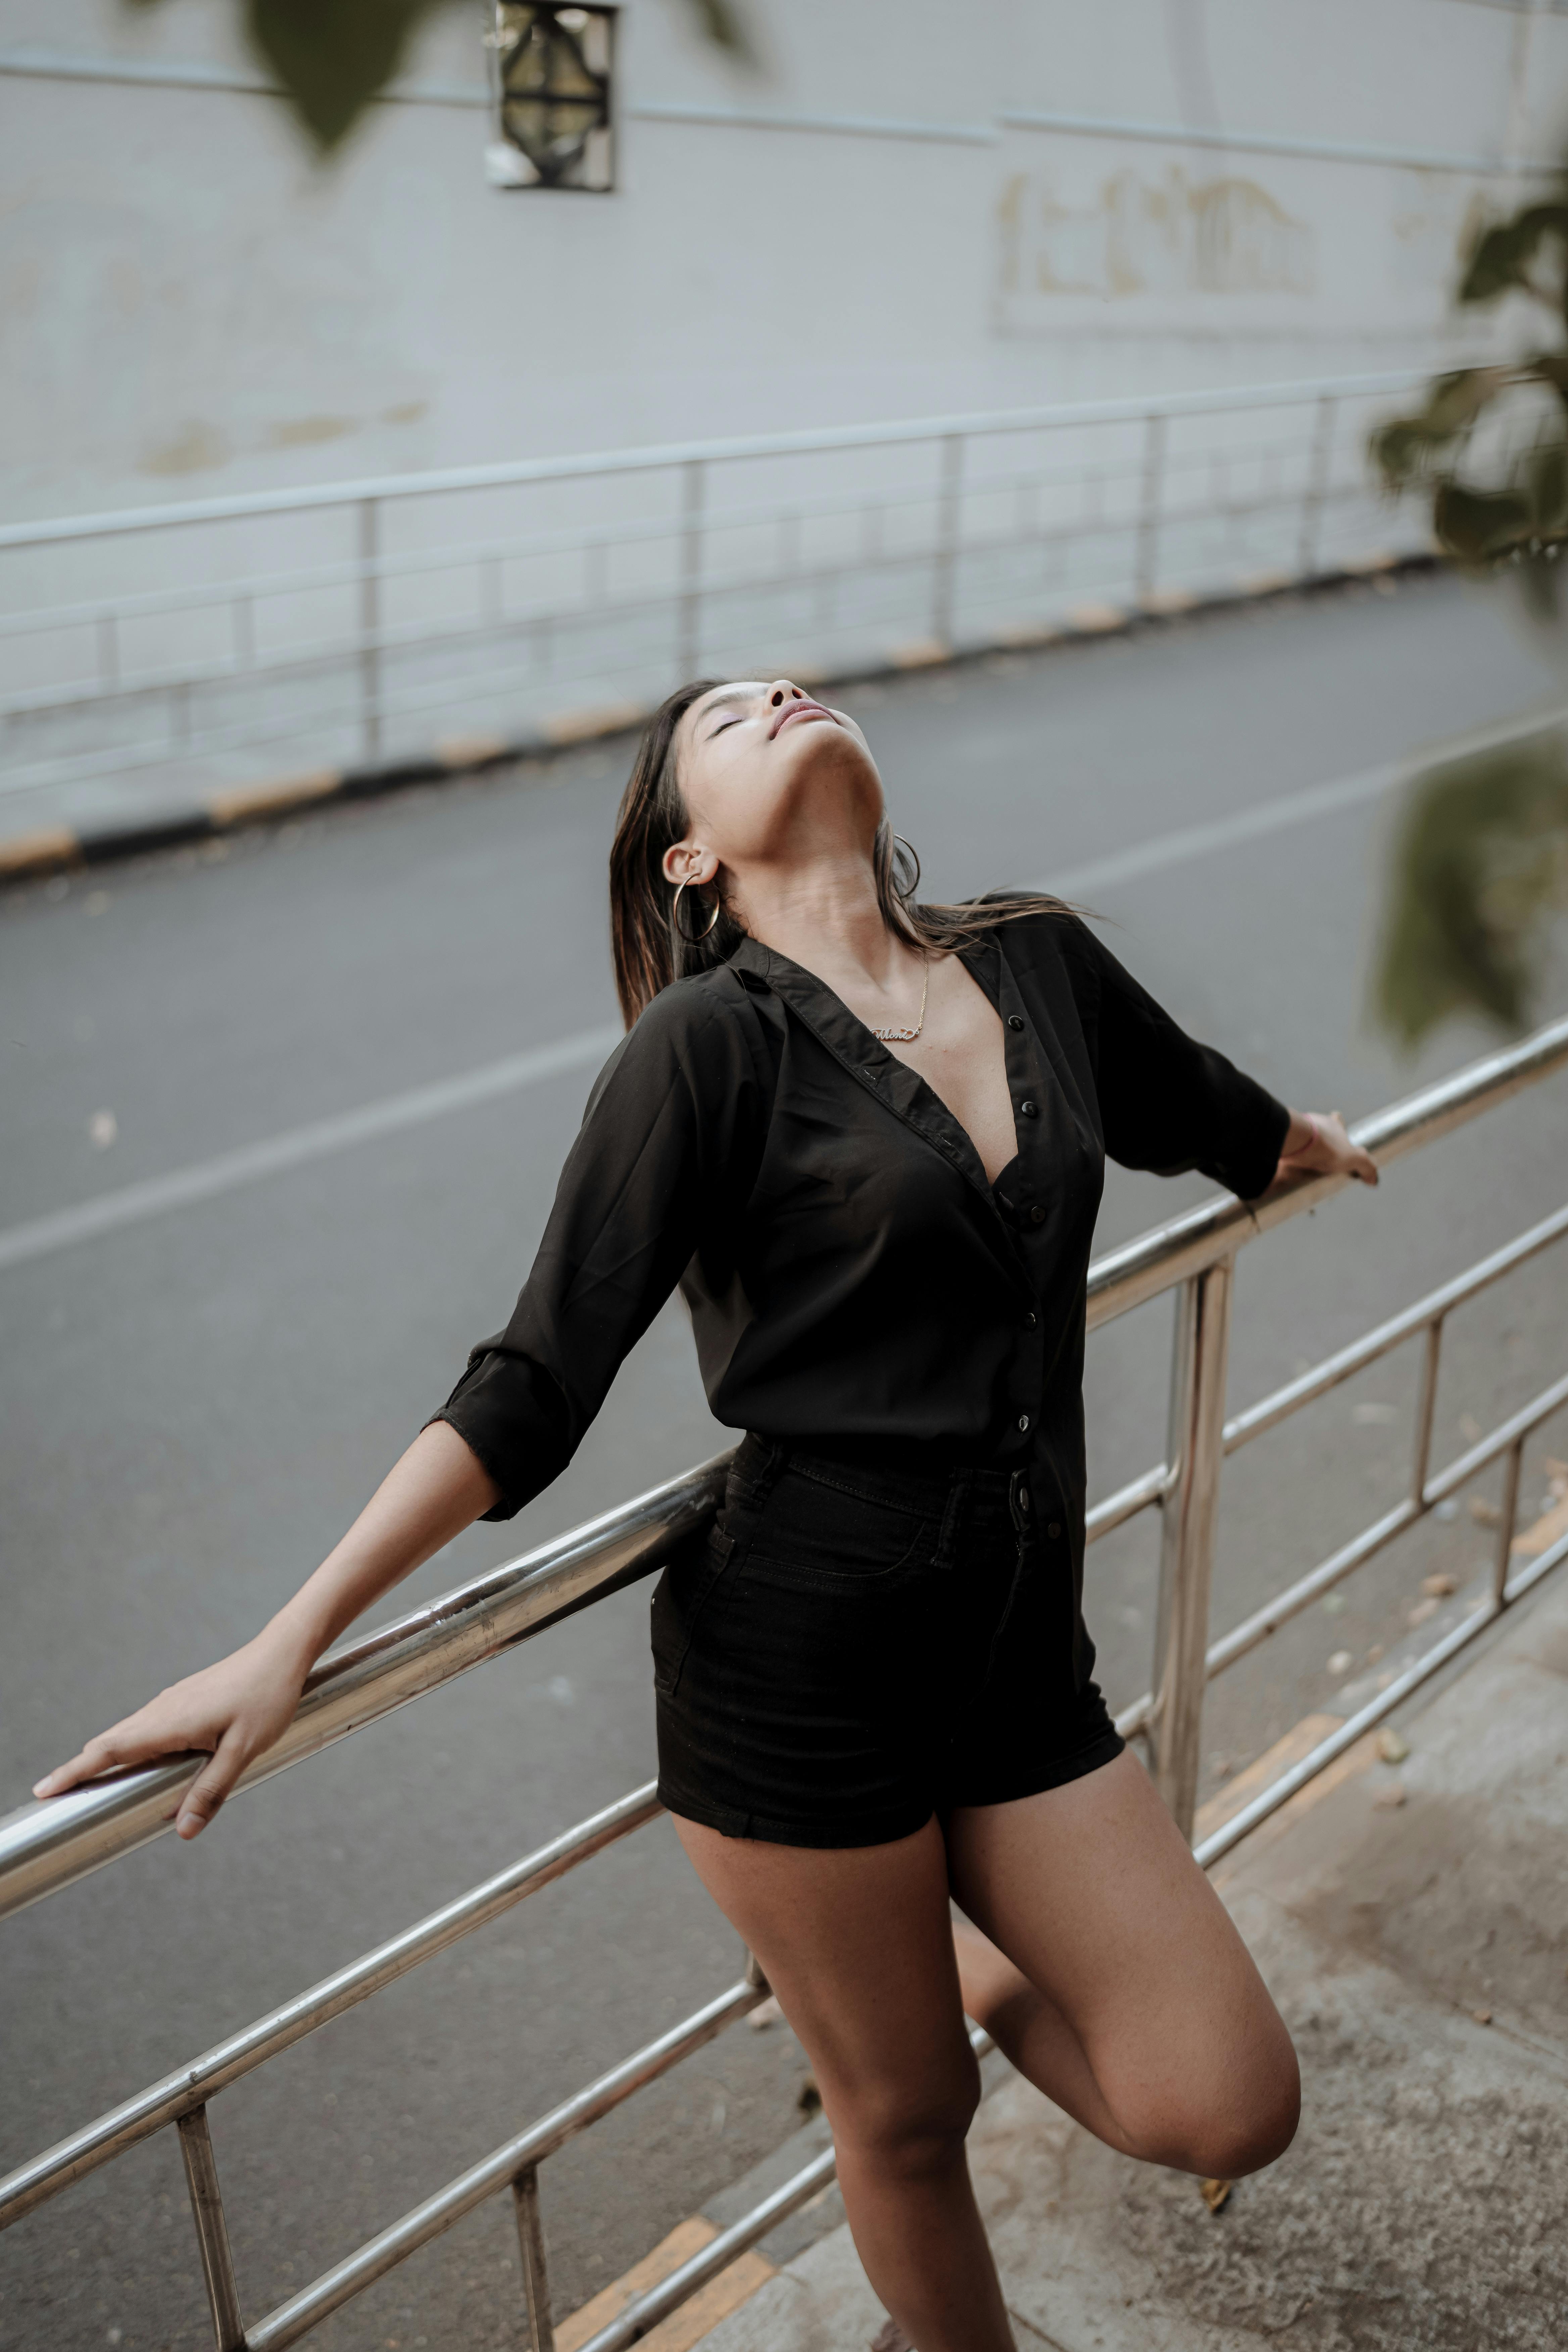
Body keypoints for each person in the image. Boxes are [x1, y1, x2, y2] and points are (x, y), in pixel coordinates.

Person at [36, 677, 1377, 2351]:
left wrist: (1298, 1146)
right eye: (727, 715)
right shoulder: (707, 1046)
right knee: (908, 2124)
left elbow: (1193, 1103)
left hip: (1020, 1653)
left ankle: (895, 1960)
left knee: (1223, 2101)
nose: (777, 694)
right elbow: (531, 1377)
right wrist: (285, 1642)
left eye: (792, 681)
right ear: (688, 859)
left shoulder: (1032, 958)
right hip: (794, 1674)